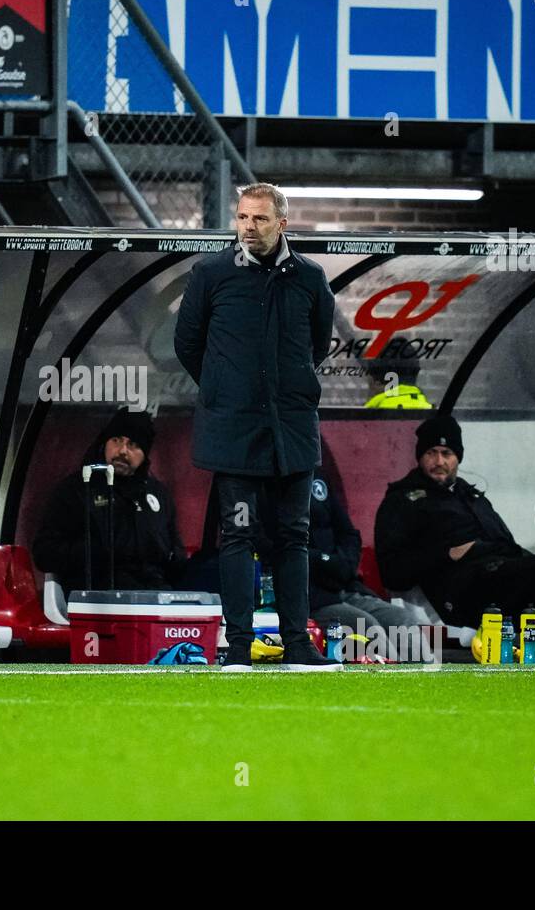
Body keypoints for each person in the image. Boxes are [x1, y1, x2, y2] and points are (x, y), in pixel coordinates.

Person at [174, 181, 340, 671]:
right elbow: (188, 344)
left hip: (291, 429)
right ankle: (239, 648)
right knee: (238, 536)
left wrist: (285, 390)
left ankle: (297, 646)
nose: (248, 227)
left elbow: (317, 347)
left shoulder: (310, 278)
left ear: (281, 224)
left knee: (295, 536)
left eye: (259, 219)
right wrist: (228, 390)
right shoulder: (210, 273)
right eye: (243, 218)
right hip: (234, 433)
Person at [374, 414, 535, 658]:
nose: (439, 461)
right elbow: (392, 572)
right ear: (420, 457)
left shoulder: (470, 495)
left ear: (458, 458)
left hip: (498, 578)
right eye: (431, 452)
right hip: (460, 593)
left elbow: (505, 543)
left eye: (447, 453)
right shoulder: (402, 501)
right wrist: (447, 554)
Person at [32, 407, 186, 595]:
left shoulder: (158, 494)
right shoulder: (77, 489)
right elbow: (44, 553)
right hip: (97, 598)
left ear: (145, 454)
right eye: (117, 440)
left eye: (134, 445)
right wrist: (98, 551)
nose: (123, 451)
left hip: (155, 598)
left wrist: (167, 554)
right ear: (104, 443)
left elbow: (177, 555)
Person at [304, 471, 413, 661]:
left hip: (343, 586)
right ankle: (398, 686)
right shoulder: (269, 484)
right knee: (367, 626)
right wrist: (325, 561)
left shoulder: (317, 478)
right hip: (311, 596)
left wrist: (344, 564)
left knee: (404, 621)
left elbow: (349, 534)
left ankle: (432, 685)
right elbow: (276, 547)